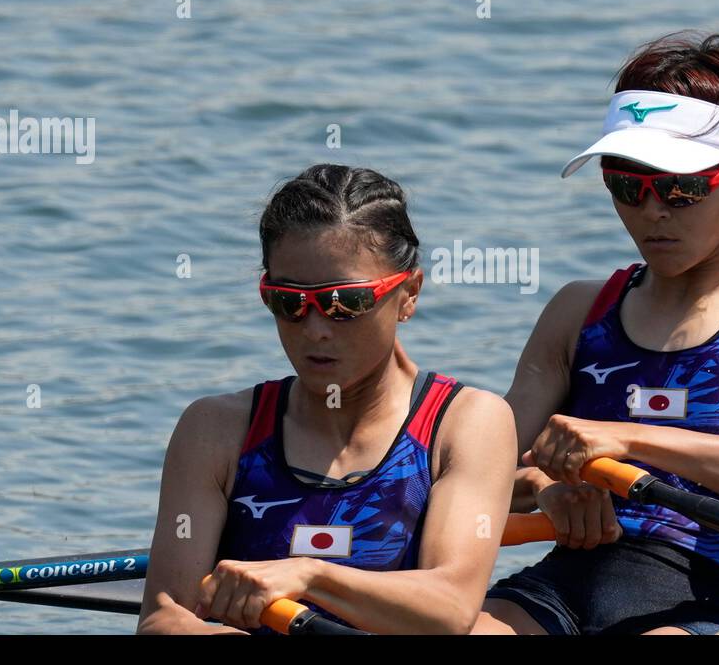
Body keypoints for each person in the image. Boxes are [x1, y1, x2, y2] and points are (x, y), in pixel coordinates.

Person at [473, 32, 719, 635]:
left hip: (705, 592)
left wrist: (626, 441)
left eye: (682, 189)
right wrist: (544, 491)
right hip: (560, 584)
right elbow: (475, 475)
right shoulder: (578, 311)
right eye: (627, 185)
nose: (652, 212)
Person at [138, 164, 516, 634]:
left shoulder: (467, 423)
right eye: (289, 302)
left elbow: (450, 608)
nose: (315, 329)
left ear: (409, 294)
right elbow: (162, 618)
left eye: (345, 303)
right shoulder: (215, 430)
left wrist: (307, 574)